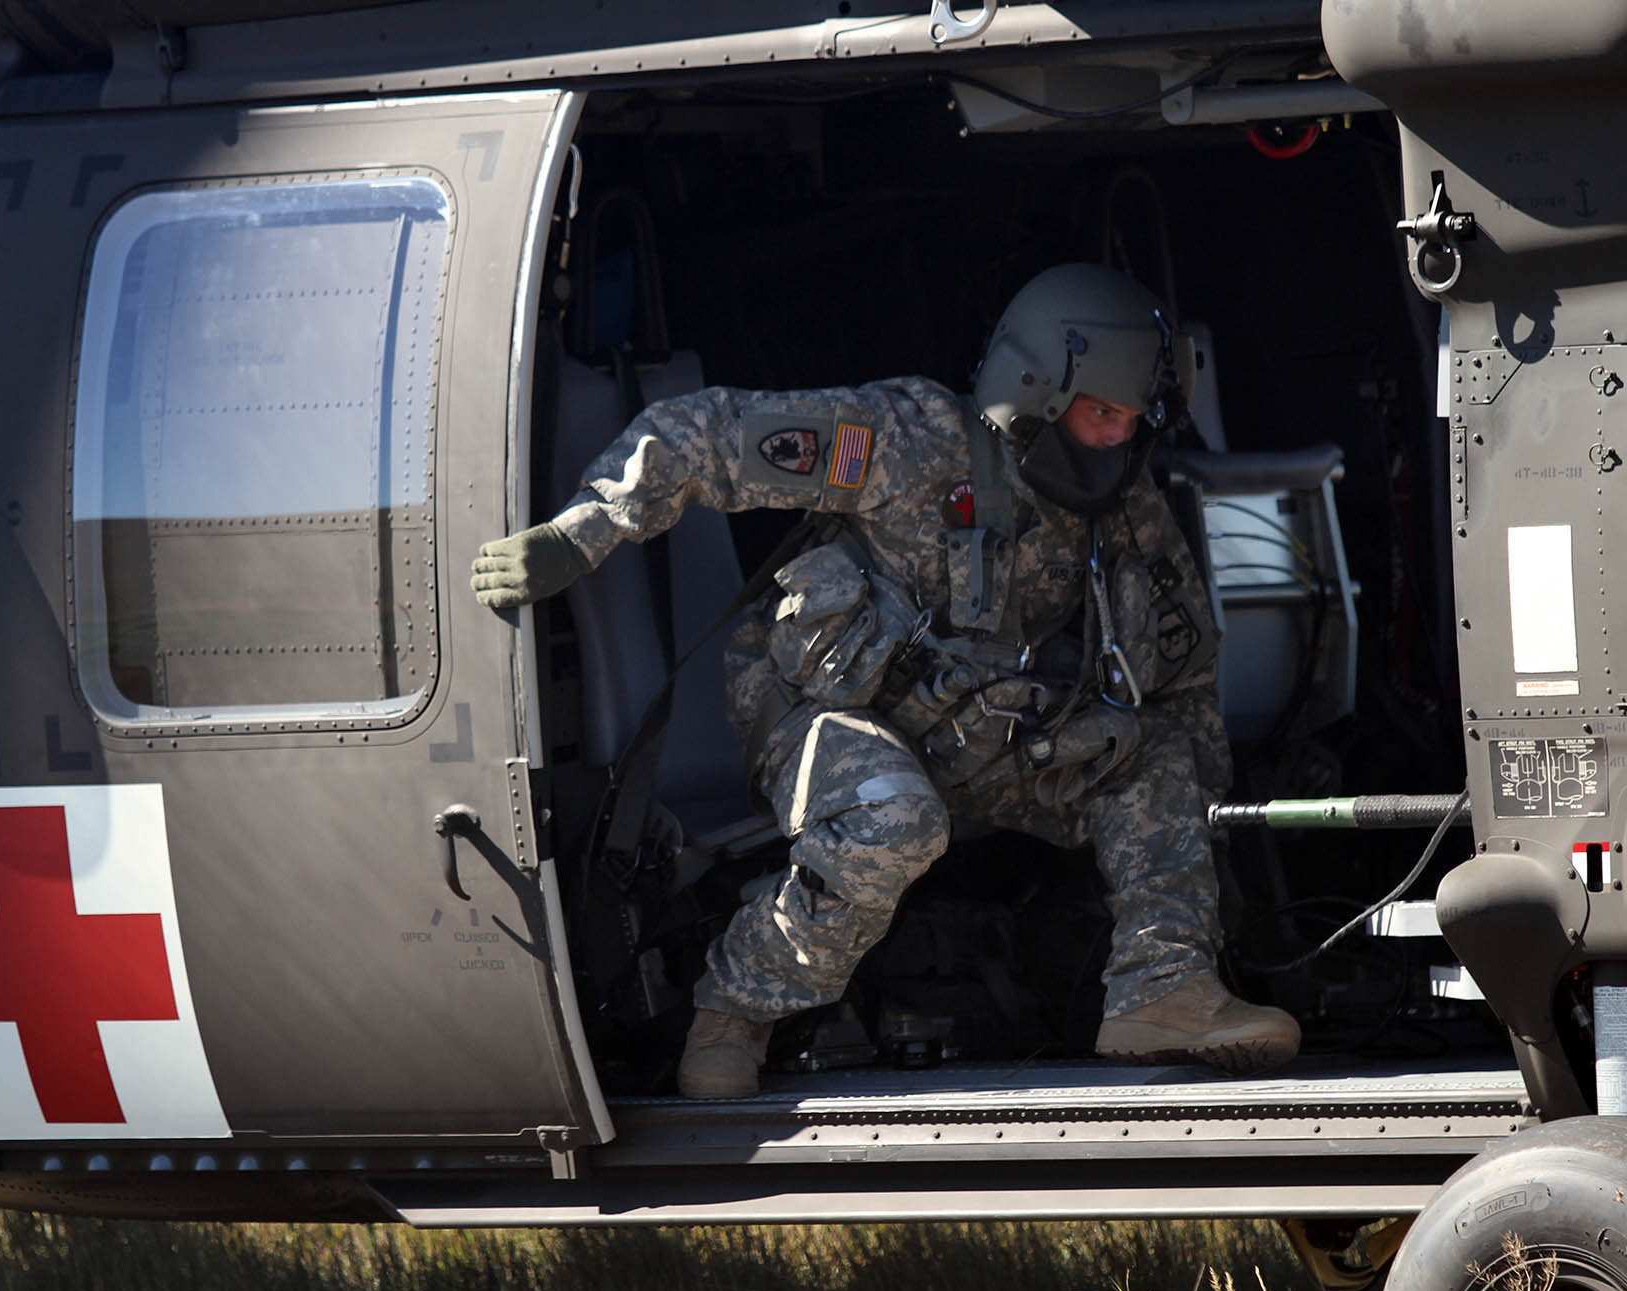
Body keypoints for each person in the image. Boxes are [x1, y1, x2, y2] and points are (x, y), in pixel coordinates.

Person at [472, 263, 1300, 1099]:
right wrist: (579, 534)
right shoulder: (908, 441)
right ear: (1037, 390)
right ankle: (733, 1011)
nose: (1119, 438)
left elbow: (1184, 667)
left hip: (982, 731)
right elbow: (708, 435)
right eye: (1101, 415)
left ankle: (1164, 991)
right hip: (823, 710)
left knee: (1156, 755)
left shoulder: (1125, 502)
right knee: (896, 816)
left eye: (1132, 420)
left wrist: (1207, 834)